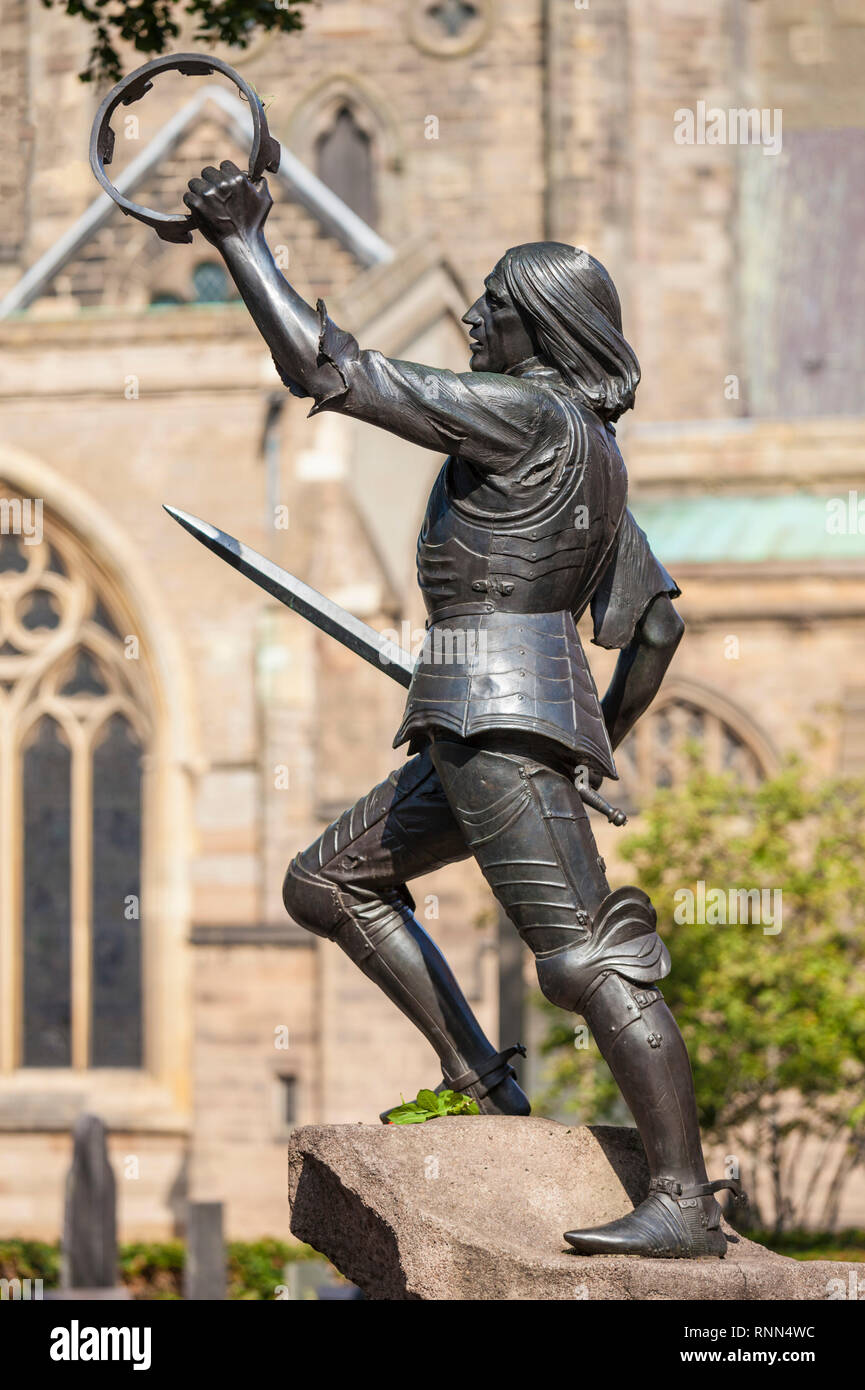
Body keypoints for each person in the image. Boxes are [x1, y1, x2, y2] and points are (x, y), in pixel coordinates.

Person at [183, 160, 739, 1257]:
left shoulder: (527, 418)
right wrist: (598, 741)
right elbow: (658, 629)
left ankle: (683, 1200)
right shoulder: (596, 455)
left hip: (493, 718)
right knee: (327, 881)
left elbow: (328, 368)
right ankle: (479, 1077)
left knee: (583, 956)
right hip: (485, 720)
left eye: (494, 302)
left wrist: (242, 239)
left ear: (536, 326)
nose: (474, 315)